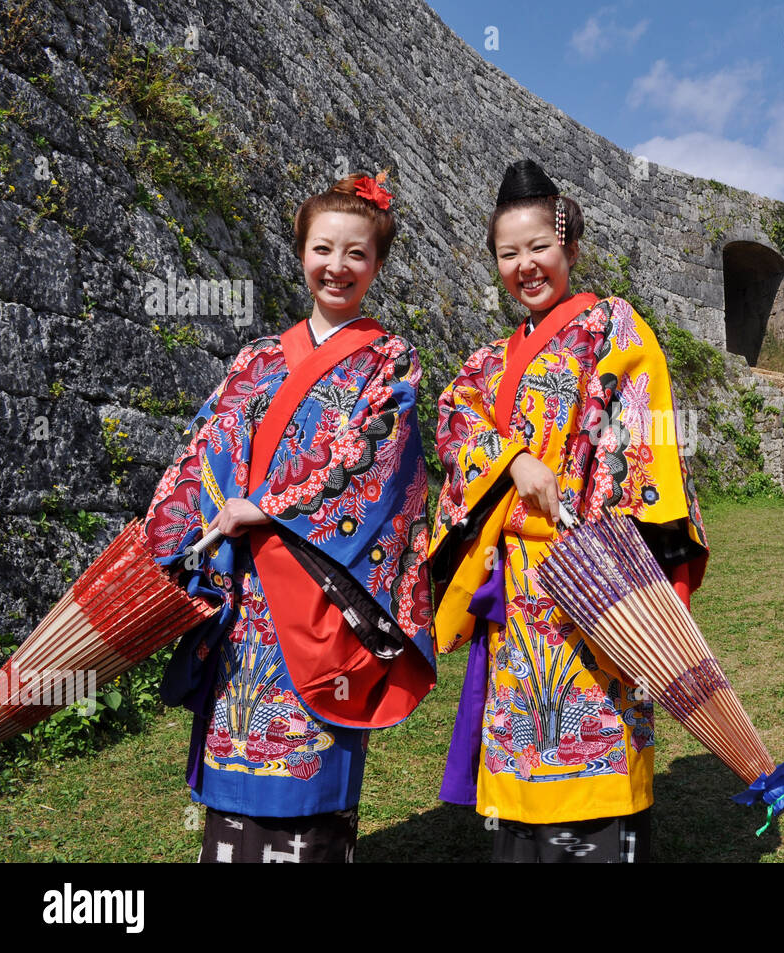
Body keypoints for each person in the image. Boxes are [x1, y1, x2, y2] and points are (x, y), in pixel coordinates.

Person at [140, 171, 437, 863]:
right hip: (243, 596)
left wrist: (265, 508)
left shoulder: (390, 360)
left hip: (321, 594)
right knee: (238, 760)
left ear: (378, 265)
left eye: (357, 254)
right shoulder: (257, 360)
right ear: (301, 252)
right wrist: (167, 541)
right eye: (323, 249)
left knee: (308, 768)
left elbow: (374, 464)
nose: (338, 267)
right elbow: (203, 454)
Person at [428, 159, 709, 863]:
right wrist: (514, 462)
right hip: (516, 586)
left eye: (539, 247)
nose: (526, 265)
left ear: (571, 249)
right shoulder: (487, 362)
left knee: (595, 735)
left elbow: (644, 434)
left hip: (593, 576)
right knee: (524, 754)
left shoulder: (613, 327)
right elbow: (454, 417)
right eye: (508, 252)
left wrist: (598, 541)